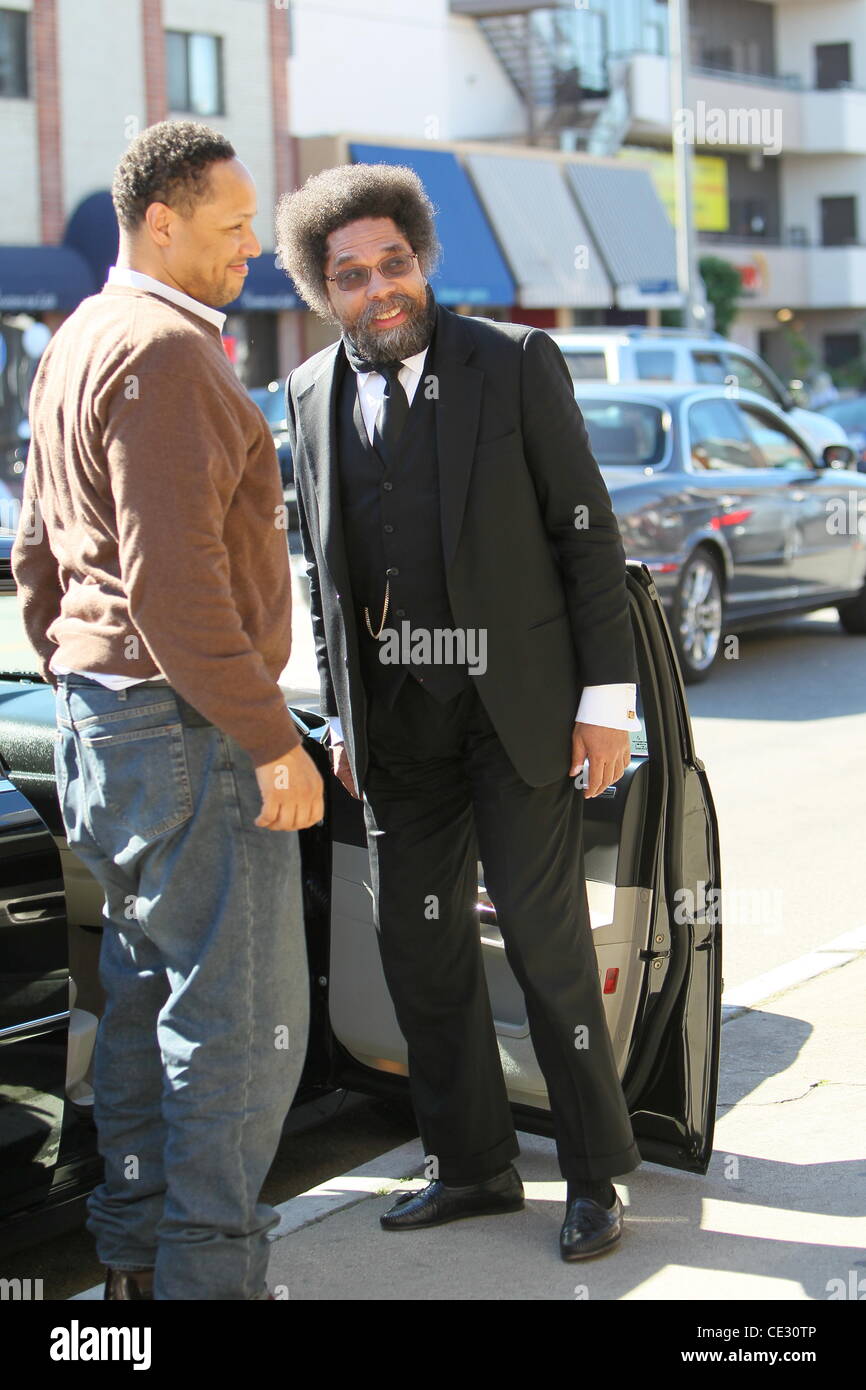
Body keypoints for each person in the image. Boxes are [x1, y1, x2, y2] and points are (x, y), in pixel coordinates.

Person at [275, 162, 643, 1261]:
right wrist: (341, 713)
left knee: (543, 946)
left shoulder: (513, 361)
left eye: (393, 263)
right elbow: (322, 574)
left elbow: (587, 536)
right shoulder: (306, 394)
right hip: (395, 722)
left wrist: (606, 702)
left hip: (514, 706)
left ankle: (591, 1175)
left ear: (422, 259)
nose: (378, 288)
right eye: (350, 275)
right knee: (418, 951)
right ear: (321, 288)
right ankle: (471, 1163)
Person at [11, 119, 323, 1300]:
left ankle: (135, 1268)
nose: (254, 244)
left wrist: (77, 675)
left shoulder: (78, 336)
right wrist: (267, 735)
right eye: (234, 224)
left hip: (109, 724)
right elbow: (176, 581)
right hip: (186, 728)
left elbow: (38, 551)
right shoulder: (172, 351)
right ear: (161, 221)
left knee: (143, 1008)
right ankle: (205, 1286)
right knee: (237, 1034)